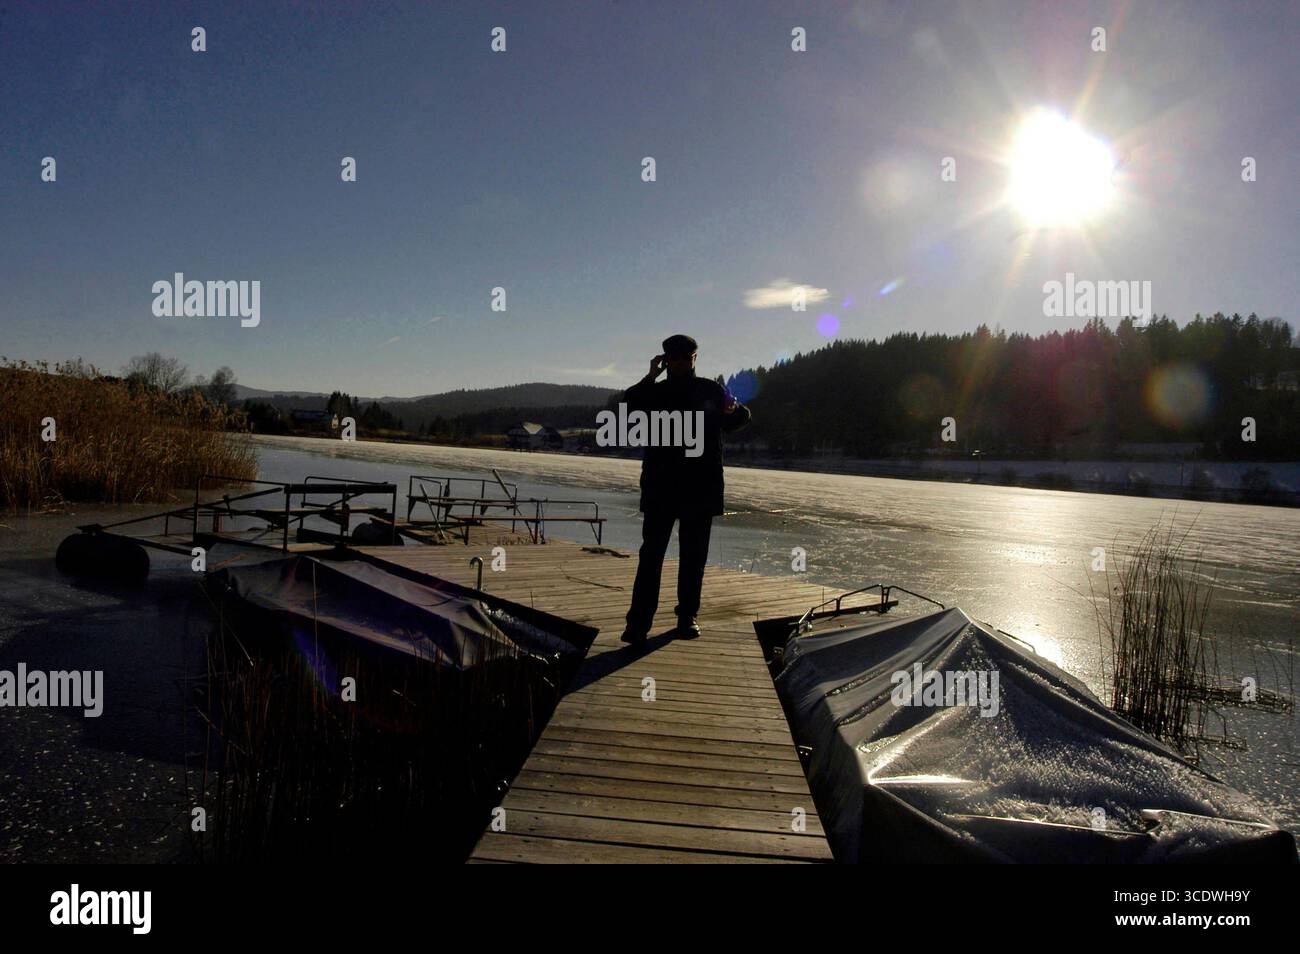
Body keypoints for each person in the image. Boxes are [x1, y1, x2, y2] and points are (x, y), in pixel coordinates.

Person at [620, 334, 751, 643]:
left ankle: (687, 616)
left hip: (699, 489)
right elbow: (628, 408)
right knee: (651, 557)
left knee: (694, 558)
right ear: (666, 361)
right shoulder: (654, 392)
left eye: (685, 358)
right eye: (673, 359)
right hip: (660, 488)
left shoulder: (710, 390)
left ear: (695, 358)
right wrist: (650, 377)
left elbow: (738, 420)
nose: (680, 363)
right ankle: (638, 624)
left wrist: (734, 408)